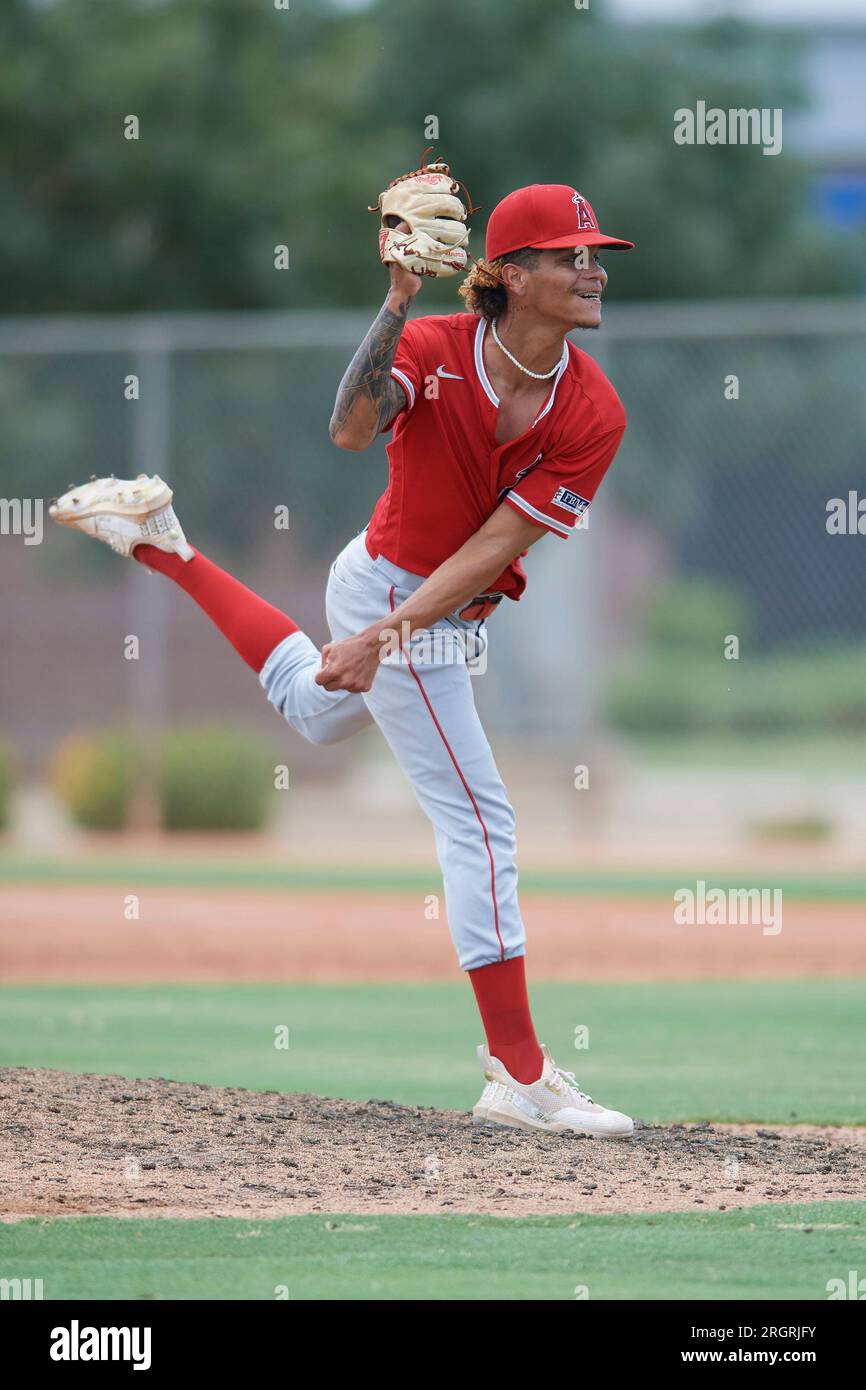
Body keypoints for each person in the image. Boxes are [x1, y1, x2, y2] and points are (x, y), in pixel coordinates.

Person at [51, 182, 636, 1137]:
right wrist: (399, 296)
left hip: (427, 614)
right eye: (570, 255)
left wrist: (385, 643)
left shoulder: (593, 410)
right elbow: (351, 429)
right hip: (383, 590)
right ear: (512, 275)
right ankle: (519, 1075)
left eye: (595, 254)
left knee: (310, 711)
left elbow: (495, 548)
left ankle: (165, 546)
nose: (592, 269)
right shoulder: (436, 348)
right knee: (482, 822)